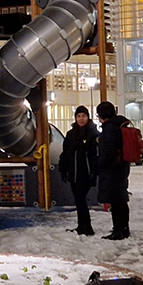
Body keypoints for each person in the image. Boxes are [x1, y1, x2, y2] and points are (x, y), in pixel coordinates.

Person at [59, 105, 101, 236]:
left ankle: (87, 226)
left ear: (88, 117)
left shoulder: (93, 133)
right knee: (78, 200)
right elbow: (65, 153)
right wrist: (63, 169)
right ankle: (82, 225)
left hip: (86, 173)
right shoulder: (71, 134)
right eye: (78, 116)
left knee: (80, 198)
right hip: (73, 173)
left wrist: (94, 172)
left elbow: (95, 155)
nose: (81, 119)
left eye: (83, 116)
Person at [95, 100, 131, 240]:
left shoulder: (110, 128)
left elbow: (107, 152)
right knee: (121, 200)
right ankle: (124, 228)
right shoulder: (121, 125)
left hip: (112, 169)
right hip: (122, 167)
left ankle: (118, 230)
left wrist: (100, 164)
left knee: (115, 201)